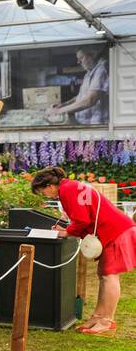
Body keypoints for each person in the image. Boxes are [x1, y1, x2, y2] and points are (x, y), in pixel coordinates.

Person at [31, 166, 136, 334]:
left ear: (49, 186)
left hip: (116, 231)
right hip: (114, 230)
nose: (44, 195)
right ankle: (98, 316)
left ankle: (107, 321)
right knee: (103, 273)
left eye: (42, 191)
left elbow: (81, 219)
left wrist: (66, 232)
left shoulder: (66, 190)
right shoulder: (70, 186)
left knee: (109, 275)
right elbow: (84, 215)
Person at [47, 48, 108, 125]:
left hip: (96, 123)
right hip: (84, 122)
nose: (78, 62)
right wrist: (64, 104)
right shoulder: (88, 73)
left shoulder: (101, 70)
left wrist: (58, 111)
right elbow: (82, 96)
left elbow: (90, 100)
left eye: (81, 58)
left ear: (93, 55)